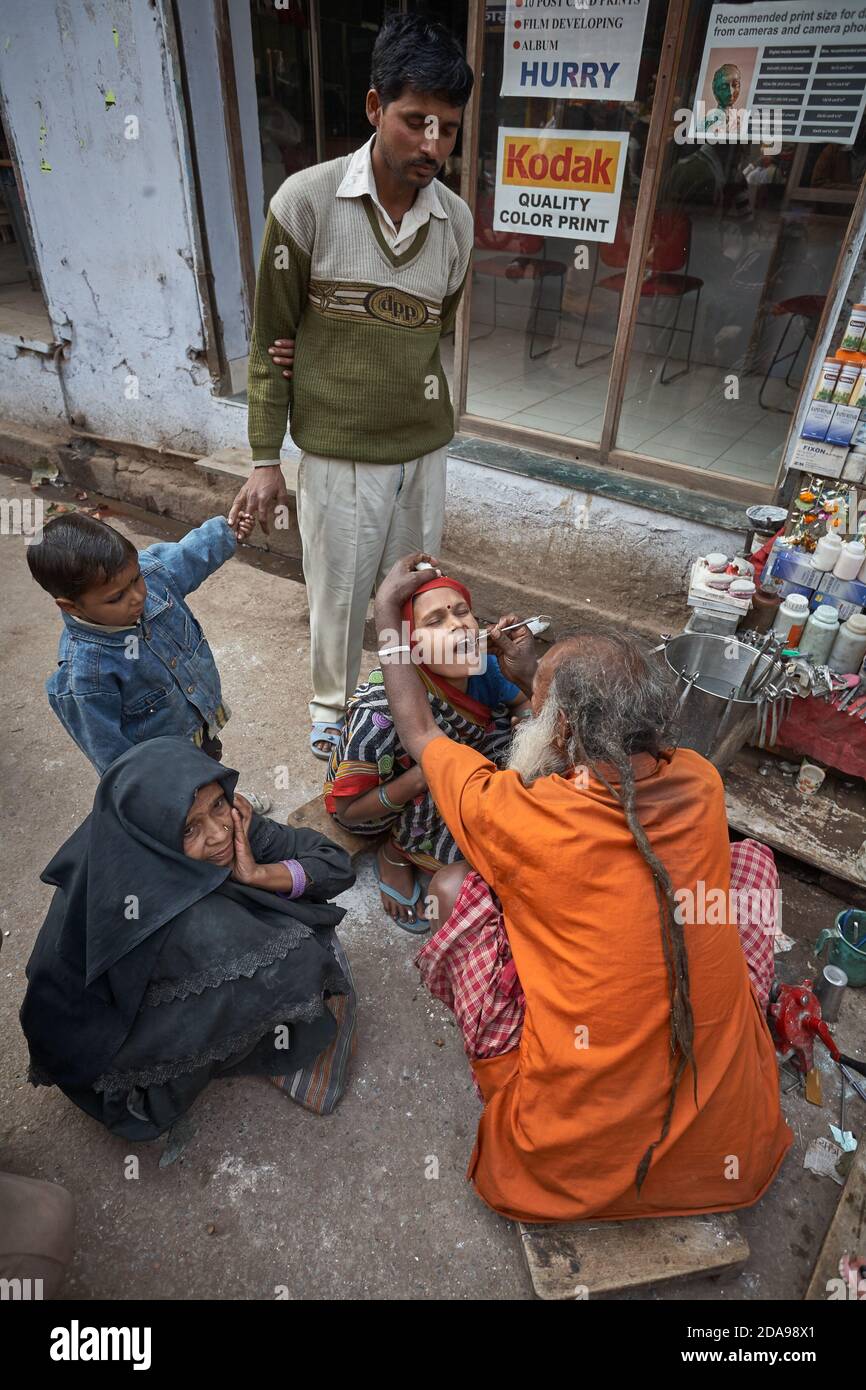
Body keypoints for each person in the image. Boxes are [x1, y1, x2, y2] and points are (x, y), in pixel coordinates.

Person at [373, 553, 792, 1224]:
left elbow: (418, 730)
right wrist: (533, 675)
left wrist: (386, 619)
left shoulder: (521, 816)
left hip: (563, 1166)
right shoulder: (702, 784)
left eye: (540, 711)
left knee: (458, 890)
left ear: (563, 730)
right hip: (730, 1146)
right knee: (751, 866)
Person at [228, 12, 475, 760]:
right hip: (338, 453)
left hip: (423, 453)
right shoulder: (303, 204)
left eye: (449, 128)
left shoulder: (457, 224)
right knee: (337, 601)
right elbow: (269, 342)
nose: (432, 144)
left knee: (409, 593)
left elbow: (432, 330)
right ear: (374, 108)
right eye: (414, 121)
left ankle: (404, 706)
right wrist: (265, 457)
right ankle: (332, 711)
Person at [20, 738, 357, 1141]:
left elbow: (335, 864)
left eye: (218, 803)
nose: (218, 834)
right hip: (111, 1066)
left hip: (141, 998)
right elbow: (294, 965)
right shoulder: (159, 911)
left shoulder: (228, 827)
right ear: (156, 836)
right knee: (294, 958)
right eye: (188, 828)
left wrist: (258, 875)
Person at [324, 573, 529, 930]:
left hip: (449, 769)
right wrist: (424, 775)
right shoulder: (378, 718)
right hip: (387, 798)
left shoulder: (488, 668)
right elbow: (348, 811)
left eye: (462, 613)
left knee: (520, 745)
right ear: (411, 648)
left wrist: (526, 709)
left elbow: (525, 704)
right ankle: (398, 853)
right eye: (436, 621)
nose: (458, 626)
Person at [26, 511, 261, 783]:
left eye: (136, 579)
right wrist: (145, 794)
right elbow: (114, 760)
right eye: (116, 598)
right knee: (184, 803)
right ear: (71, 605)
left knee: (212, 770)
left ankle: (222, 806)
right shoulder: (83, 677)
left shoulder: (151, 575)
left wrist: (227, 531)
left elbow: (189, 555)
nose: (137, 597)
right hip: (162, 769)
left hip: (199, 725)